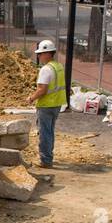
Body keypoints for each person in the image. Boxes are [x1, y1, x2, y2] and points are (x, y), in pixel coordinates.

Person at [32, 39, 65, 168]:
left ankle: (46, 160)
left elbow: (42, 89)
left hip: (46, 105)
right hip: (57, 105)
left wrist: (31, 98)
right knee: (50, 131)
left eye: (41, 54)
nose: (39, 56)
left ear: (48, 54)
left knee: (44, 133)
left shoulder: (46, 69)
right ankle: (48, 157)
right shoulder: (58, 66)